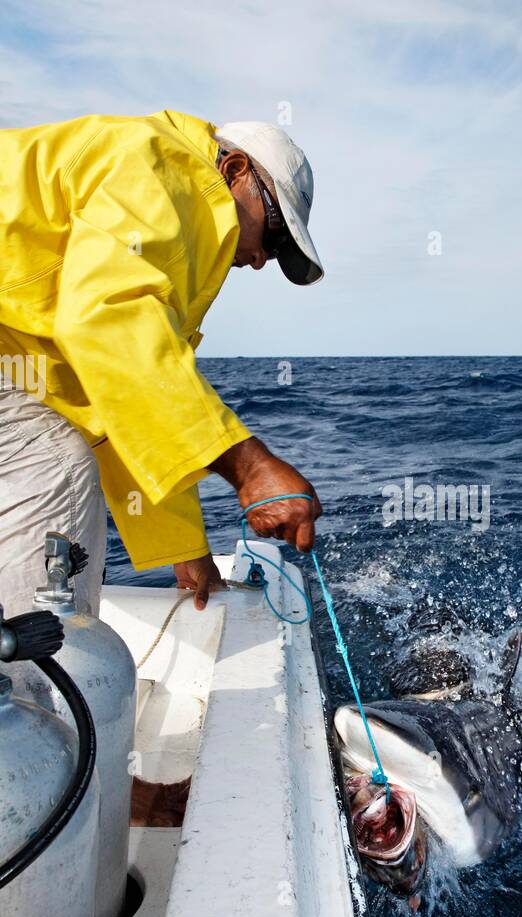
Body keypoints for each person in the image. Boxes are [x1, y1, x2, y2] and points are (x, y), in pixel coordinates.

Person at [0, 112, 324, 617]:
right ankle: (35, 688)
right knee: (60, 466)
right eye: (277, 232)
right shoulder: (158, 169)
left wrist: (182, 546)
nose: (263, 258)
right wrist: (251, 468)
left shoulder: (157, 198)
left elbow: (114, 395)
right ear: (235, 170)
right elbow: (109, 325)